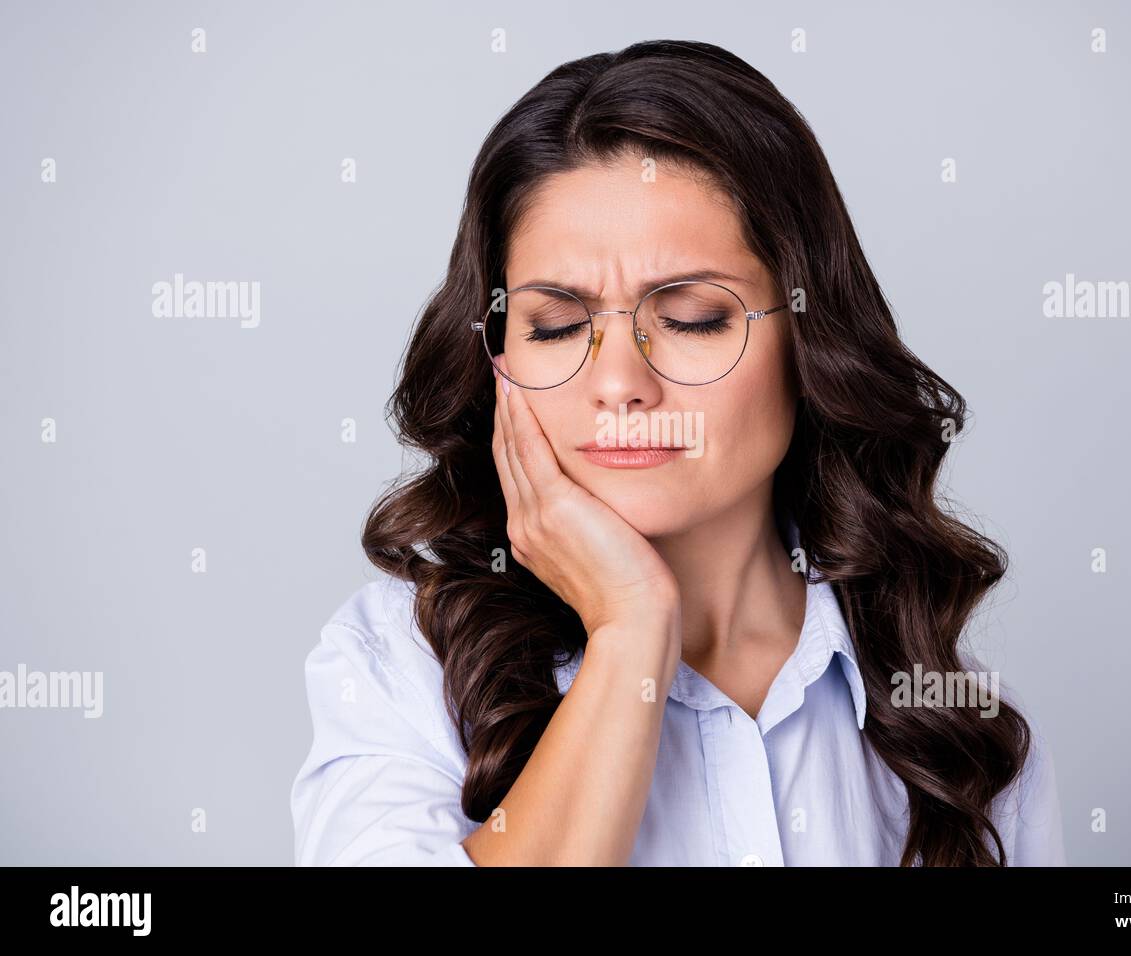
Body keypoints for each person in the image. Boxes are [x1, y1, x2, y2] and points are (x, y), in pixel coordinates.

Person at [290, 39, 1066, 866]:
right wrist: (630, 631)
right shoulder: (396, 666)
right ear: (497, 356)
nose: (619, 382)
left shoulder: (951, 730)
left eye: (693, 318)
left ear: (810, 338)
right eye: (555, 326)